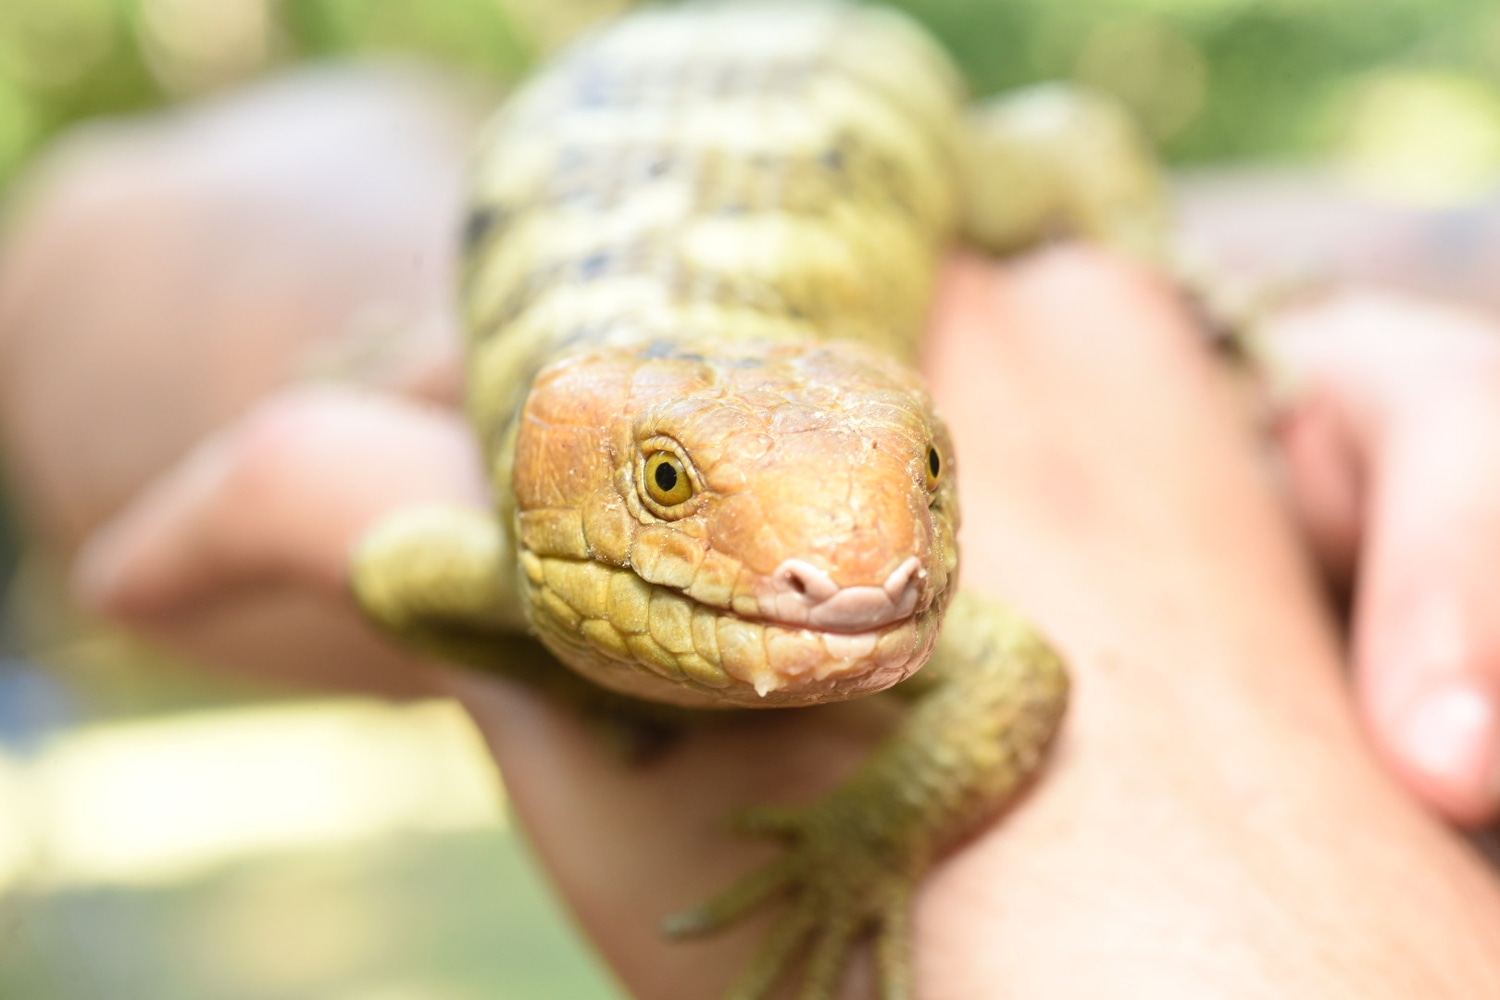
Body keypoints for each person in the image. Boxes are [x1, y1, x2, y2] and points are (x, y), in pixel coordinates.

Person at [3, 67, 1500, 997]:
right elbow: (395, 566)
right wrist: (1150, 270)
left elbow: (1012, 674)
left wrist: (870, 833)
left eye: (918, 469)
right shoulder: (494, 519)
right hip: (680, 138)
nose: (864, 580)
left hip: (815, 114)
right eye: (663, 490)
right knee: (1056, 161)